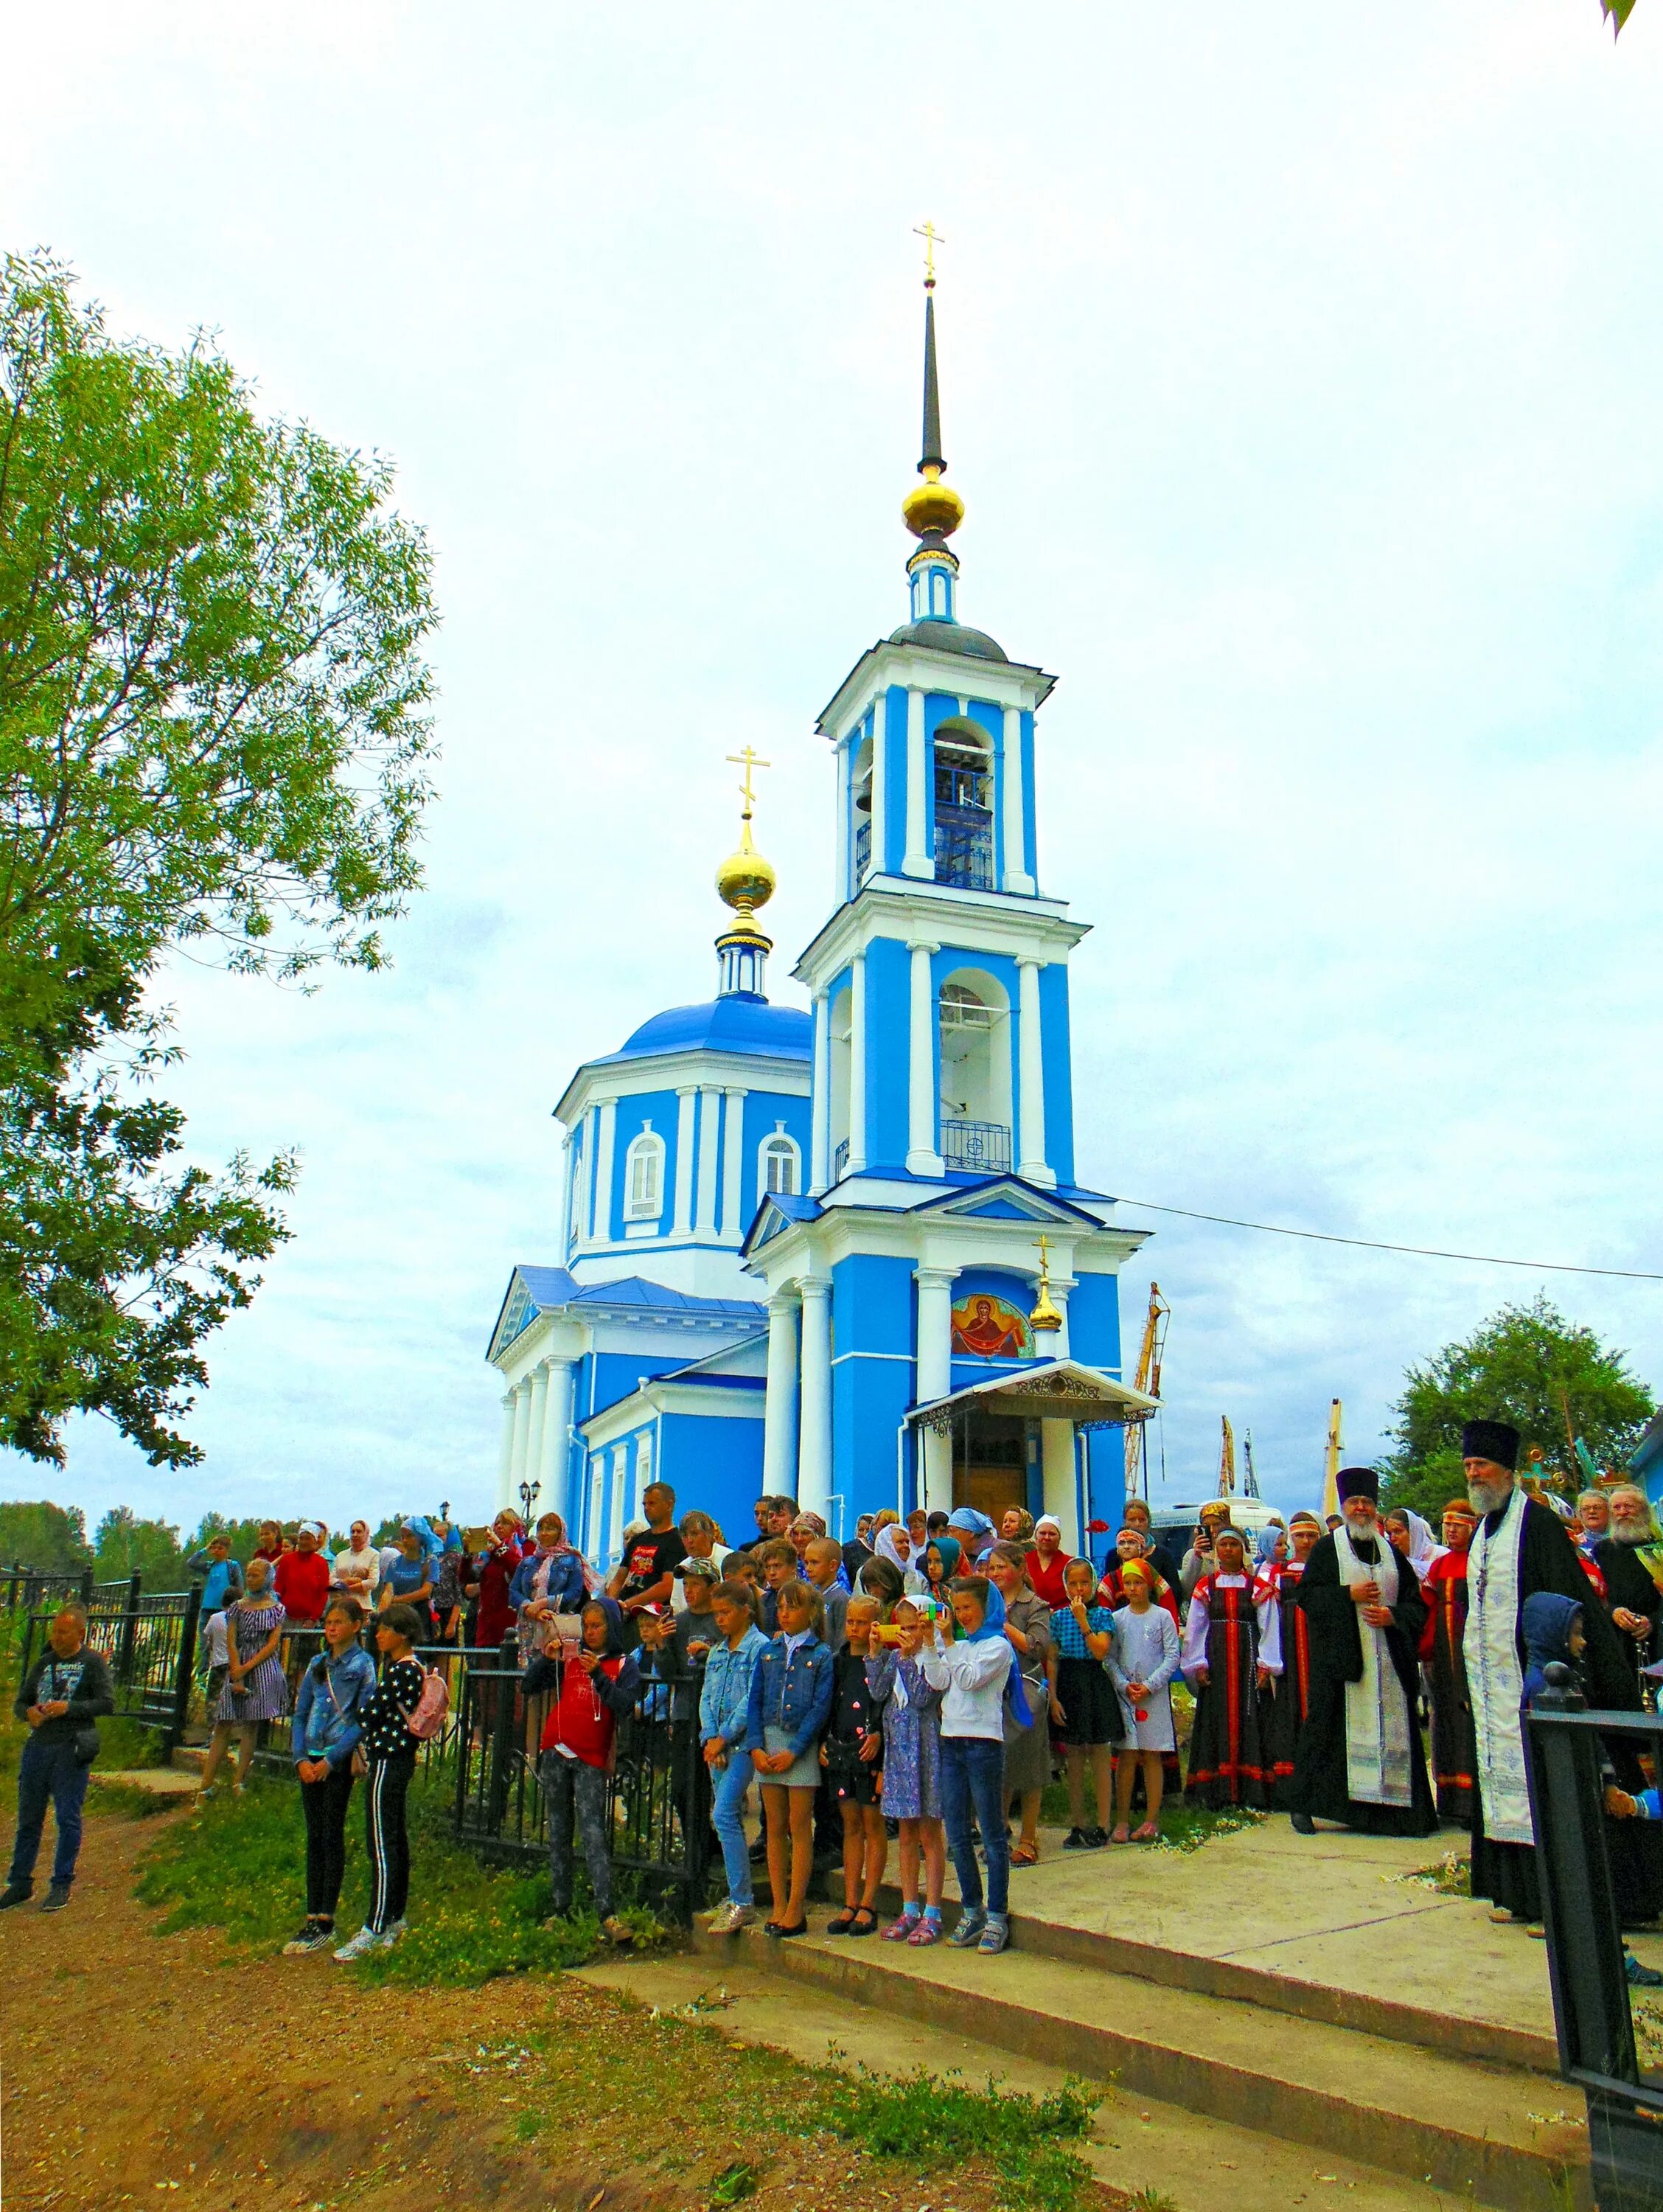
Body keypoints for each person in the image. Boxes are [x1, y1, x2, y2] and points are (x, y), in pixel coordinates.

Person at [1462, 1421, 1661, 1925]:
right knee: (1508, 1787)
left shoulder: (1539, 1525)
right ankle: (1523, 1893)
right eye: (1468, 1467)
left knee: (1557, 1787)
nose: (1474, 1474)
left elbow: (1565, 1607)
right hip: (1496, 1688)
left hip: (1542, 1681)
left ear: (1507, 1471)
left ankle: (1576, 1901)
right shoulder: (1483, 1531)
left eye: (1480, 1465)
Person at [1286, 1469, 1432, 1837]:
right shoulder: (1326, 1548)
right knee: (1324, 1731)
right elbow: (1307, 1596)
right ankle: (1303, 1807)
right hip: (1341, 1662)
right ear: (1345, 1507)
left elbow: (1417, 1606)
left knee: (1394, 1733)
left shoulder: (1393, 1555)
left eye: (1368, 1502)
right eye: (1355, 1502)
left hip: (1389, 1663)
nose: (1362, 1508)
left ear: (1376, 1508)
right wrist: (1346, 1595)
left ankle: (1391, 1813)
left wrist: (1392, 1616)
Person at [519, 1596, 639, 1943]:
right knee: (558, 1832)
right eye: (587, 1626)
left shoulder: (622, 1664)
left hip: (590, 1757)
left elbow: (624, 1705)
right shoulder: (570, 1659)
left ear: (612, 1627)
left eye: (598, 1625)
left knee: (592, 1833)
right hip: (556, 1748)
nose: (592, 1632)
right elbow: (529, 1687)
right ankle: (561, 1909)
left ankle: (606, 1910)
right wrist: (547, 1658)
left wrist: (599, 1675)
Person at [921, 1574, 1018, 1955]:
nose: (961, 1617)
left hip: (982, 1744)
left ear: (986, 1608)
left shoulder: (997, 1647)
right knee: (957, 1832)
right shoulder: (959, 1644)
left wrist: (947, 1643)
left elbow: (969, 1678)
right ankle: (971, 1908)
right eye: (956, 1609)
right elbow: (939, 1680)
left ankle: (997, 1914)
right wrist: (932, 1645)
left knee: (992, 1832)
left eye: (967, 1609)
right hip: (952, 1741)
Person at [1, 1602, 116, 1912]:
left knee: (67, 1817)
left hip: (71, 1746)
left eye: (64, 1632)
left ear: (80, 1632)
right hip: (39, 1745)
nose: (57, 1637)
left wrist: (70, 1708)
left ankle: (61, 1882)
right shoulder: (44, 1663)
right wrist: (29, 1713)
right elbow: (21, 1702)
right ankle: (20, 1882)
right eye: (55, 1631)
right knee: (28, 1818)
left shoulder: (92, 1663)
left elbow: (107, 1703)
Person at [332, 1602, 429, 1960]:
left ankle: (375, 1924)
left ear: (401, 1633)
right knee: (394, 1838)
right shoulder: (411, 1668)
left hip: (388, 1758)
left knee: (382, 1842)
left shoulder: (402, 1671)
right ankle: (394, 1917)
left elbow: (370, 1711)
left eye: (385, 1629)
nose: (378, 1635)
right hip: (397, 1758)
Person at [285, 1593, 378, 1955]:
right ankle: (311, 1915)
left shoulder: (363, 1665)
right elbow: (301, 1711)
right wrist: (299, 1758)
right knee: (314, 1835)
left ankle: (326, 1918)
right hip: (310, 1754)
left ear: (356, 1626)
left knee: (330, 1832)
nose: (332, 1628)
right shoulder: (317, 1665)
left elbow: (362, 1718)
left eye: (339, 1622)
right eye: (328, 1622)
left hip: (335, 1761)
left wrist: (333, 1760)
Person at [747, 1578, 834, 1939]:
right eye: (780, 1607)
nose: (784, 1614)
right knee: (775, 1828)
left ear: (811, 1613)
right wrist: (755, 1746)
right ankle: (778, 1902)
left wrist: (796, 1750)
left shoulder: (821, 1655)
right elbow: (754, 1701)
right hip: (768, 1743)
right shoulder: (768, 1652)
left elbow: (820, 1707)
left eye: (792, 1607)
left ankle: (796, 1905)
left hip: (799, 1745)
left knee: (800, 1827)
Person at [866, 1596, 947, 1944]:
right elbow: (879, 1690)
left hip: (925, 1749)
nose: (907, 1635)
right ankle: (909, 1906)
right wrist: (875, 1654)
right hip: (899, 1753)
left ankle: (933, 1910)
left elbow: (919, 1697)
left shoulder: (933, 1661)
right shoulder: (895, 1659)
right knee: (906, 1832)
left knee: (929, 1832)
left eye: (914, 1627)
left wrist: (908, 1657)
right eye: (902, 1628)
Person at [1183, 1526, 1280, 1812]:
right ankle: (1215, 1789)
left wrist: (1266, 1665)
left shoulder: (1258, 1587)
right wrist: (1196, 1663)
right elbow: (1195, 1628)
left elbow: (1269, 1627)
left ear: (1243, 1550)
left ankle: (1251, 1788)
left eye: (1234, 1545)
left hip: (1247, 1663)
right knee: (1217, 1718)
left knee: (1249, 1716)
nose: (1228, 1550)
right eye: (1223, 1545)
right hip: (1217, 1663)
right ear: (1216, 1550)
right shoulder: (1206, 1586)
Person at [701, 1579, 770, 1935]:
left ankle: (743, 1901)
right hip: (718, 1747)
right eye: (717, 1614)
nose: (720, 1620)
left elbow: (751, 1702)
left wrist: (724, 1736)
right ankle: (734, 1895)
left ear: (745, 1610)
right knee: (724, 1817)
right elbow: (707, 1696)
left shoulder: (760, 1648)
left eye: (726, 1612)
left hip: (743, 1745)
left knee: (725, 1812)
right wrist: (710, 1737)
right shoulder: (717, 1651)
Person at [822, 1596, 888, 1936]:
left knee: (872, 1823)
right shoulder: (838, 1661)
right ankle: (850, 1900)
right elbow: (829, 1702)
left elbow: (889, 1703)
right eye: (850, 1621)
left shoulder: (884, 1661)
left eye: (862, 1622)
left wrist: (879, 1733)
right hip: (841, 1748)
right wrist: (824, 1740)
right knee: (850, 1824)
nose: (854, 1628)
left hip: (870, 1752)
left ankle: (869, 1901)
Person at [986, 1543, 1053, 1868]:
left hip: (1026, 1691)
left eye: (1001, 1567)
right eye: (991, 1568)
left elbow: (1036, 1647)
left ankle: (1029, 1837)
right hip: (991, 1691)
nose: (995, 1574)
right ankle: (998, 1831)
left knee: (1028, 1765)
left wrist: (1002, 1624)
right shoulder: (985, 1601)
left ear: (1020, 1570)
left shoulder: (1035, 1606)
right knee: (998, 1764)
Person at [200, 1557, 288, 1798]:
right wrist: (237, 1670)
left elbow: (272, 1644)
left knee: (251, 1725)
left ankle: (239, 1781)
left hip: (261, 1666)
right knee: (223, 1723)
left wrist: (248, 1667)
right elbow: (231, 1640)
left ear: (268, 1578)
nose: (250, 1579)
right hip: (237, 1665)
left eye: (256, 1575)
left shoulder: (277, 1608)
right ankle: (205, 1785)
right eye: (248, 1574)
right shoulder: (238, 1607)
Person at [1106, 1560, 1181, 1842]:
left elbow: (1172, 1656)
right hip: (1126, 1696)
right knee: (1127, 1756)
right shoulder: (1118, 1619)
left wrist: (1150, 1686)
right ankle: (1123, 1820)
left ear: (1149, 1585)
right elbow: (1110, 1657)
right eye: (1128, 1583)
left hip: (1153, 1695)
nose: (1133, 1588)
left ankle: (1152, 1819)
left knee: (1151, 1755)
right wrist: (1124, 1686)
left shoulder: (1162, 1617)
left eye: (1138, 1582)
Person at [1050, 1554, 1117, 1848]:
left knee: (1099, 1752)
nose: (1079, 1589)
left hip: (1093, 1680)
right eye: (1073, 1584)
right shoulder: (1057, 1618)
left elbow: (1101, 1651)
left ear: (1093, 1584)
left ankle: (1103, 1823)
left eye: (1084, 1583)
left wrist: (1083, 1621)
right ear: (1065, 1586)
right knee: (1074, 1755)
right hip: (1069, 1682)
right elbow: (1052, 1658)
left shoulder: (1102, 1615)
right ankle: (1077, 1822)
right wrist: (1053, 1696)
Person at [1418, 1498, 1478, 1825]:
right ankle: (1450, 1798)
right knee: (1445, 1723)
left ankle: (1473, 1802)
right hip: (1443, 1653)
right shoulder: (1439, 1566)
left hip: (1470, 1651)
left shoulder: (1482, 1562)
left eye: (1458, 1525)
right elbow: (1428, 1608)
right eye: (1447, 1525)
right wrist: (1425, 1648)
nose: (1452, 1531)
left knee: (1470, 1721)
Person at [1593, 1485, 1663, 1686]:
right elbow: (1596, 1597)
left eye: (1629, 1507)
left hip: (1658, 1639)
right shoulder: (1602, 1551)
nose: (1622, 1513)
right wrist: (1614, 1612)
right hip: (1619, 1641)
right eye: (1616, 1507)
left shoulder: (1660, 1546)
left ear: (1644, 1510)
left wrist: (1652, 1621)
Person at [607, 1483, 686, 1645]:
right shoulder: (638, 1540)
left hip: (651, 1619)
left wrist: (629, 1604)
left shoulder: (676, 1541)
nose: (647, 1508)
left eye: (652, 1503)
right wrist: (611, 1606)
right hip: (623, 1617)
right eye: (645, 1504)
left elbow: (667, 1586)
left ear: (669, 1505)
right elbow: (619, 1578)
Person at [510, 1512, 590, 1649]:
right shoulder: (528, 1562)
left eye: (550, 1529)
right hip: (529, 1626)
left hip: (559, 1625)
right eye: (541, 1529)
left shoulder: (572, 1561)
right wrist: (531, 1608)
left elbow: (575, 1593)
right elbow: (513, 1591)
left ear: (561, 1533)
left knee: (556, 1667)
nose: (544, 1533)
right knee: (529, 1669)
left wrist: (545, 1603)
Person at [472, 1512, 529, 1650]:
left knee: (506, 1665)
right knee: (484, 1666)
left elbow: (518, 1570)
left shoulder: (524, 1547)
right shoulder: (488, 1553)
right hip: (487, 1621)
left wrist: (499, 1545)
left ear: (516, 1526)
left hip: (510, 1620)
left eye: (505, 1523)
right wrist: (468, 1553)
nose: (499, 1527)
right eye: (497, 1523)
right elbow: (466, 1578)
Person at [378, 1524, 437, 1635]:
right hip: (398, 1616)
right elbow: (388, 1591)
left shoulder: (430, 1561)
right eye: (403, 1537)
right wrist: (381, 1614)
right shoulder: (395, 1563)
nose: (405, 1540)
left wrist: (396, 1600)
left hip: (420, 1615)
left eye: (410, 1536)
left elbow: (426, 1592)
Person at [274, 1523, 331, 1626]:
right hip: (285, 1618)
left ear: (315, 1540)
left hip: (309, 1621)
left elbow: (323, 1594)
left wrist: (313, 1618)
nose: (304, 1542)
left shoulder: (321, 1563)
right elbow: (278, 1588)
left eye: (308, 1539)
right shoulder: (287, 1561)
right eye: (302, 1538)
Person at [1180, 1500, 1236, 1601]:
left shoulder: (1235, 1551)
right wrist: (1197, 1557)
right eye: (1207, 1525)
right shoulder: (1191, 1555)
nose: (1212, 1530)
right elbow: (1185, 1589)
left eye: (1217, 1524)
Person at [803, 1537, 851, 1649]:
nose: (808, 1568)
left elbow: (842, 1641)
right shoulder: (810, 1597)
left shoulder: (841, 1599)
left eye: (814, 1562)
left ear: (833, 1566)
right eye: (806, 1563)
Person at [672, 1512, 730, 1605]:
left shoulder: (729, 1559)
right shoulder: (682, 1568)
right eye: (685, 1536)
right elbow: (677, 1608)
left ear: (710, 1534)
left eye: (694, 1534)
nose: (689, 1540)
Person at [186, 1532, 245, 1615]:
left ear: (226, 1550)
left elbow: (240, 1587)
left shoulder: (232, 1566)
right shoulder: (209, 1566)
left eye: (220, 1548)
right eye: (214, 1548)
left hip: (225, 1609)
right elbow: (191, 1563)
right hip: (207, 1608)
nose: (216, 1550)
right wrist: (205, 1549)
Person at [1024, 1515, 1072, 1608]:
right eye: (1042, 1533)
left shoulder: (1070, 1564)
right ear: (1035, 1537)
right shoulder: (1023, 1561)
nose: (1047, 1537)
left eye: (1052, 1534)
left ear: (1059, 1538)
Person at [754, 1539, 799, 1634]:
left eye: (777, 1566)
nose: (772, 1573)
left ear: (793, 1567)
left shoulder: (805, 1598)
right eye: (767, 1567)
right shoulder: (763, 1602)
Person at [330, 1520, 381, 1604]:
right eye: (352, 1532)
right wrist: (349, 1581)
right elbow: (331, 1580)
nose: (355, 1535)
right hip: (339, 1603)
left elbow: (373, 1582)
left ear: (366, 1534)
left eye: (359, 1532)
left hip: (362, 1605)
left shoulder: (373, 1555)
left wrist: (347, 1588)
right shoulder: (341, 1555)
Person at [871, 1522, 927, 1596]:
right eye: (900, 1542)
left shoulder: (918, 1578)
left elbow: (930, 1605)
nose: (906, 1546)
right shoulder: (870, 1574)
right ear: (887, 1546)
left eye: (907, 1542)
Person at [1575, 1489, 1611, 1556]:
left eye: (1597, 1508)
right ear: (1580, 1513)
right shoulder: (1575, 1544)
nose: (1592, 1512)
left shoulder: (1621, 1540)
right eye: (1586, 1508)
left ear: (1609, 1512)